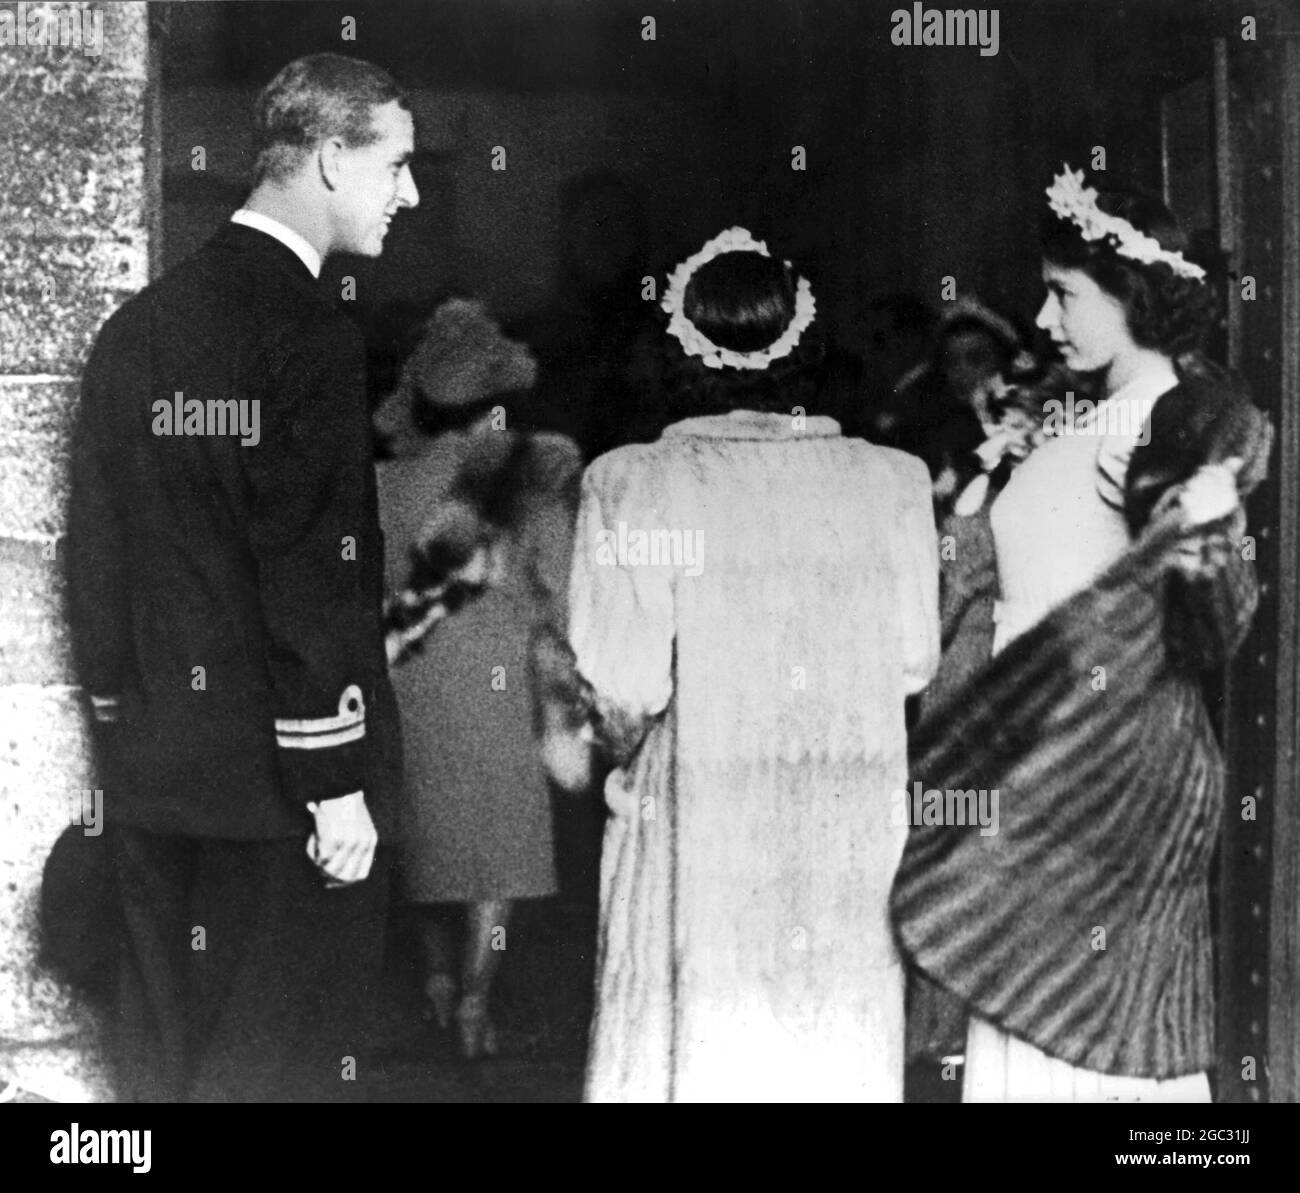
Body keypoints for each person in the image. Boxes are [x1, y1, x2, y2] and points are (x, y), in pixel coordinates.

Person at [66, 53, 419, 1102]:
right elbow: (308, 567)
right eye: (396, 163)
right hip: (281, 805)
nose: (412, 193)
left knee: (164, 1077)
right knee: (279, 1077)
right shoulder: (309, 335)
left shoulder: (136, 329)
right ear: (326, 158)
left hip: (156, 782)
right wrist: (335, 778)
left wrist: (122, 717)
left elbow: (95, 552)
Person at [891, 165, 1272, 1103]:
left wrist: (1216, 526)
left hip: (1110, 771)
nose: (1044, 317)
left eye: (1064, 295)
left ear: (1133, 296)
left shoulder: (1184, 423)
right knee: (1036, 1022)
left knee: (1103, 1028)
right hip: (1027, 758)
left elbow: (1215, 621)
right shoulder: (1078, 412)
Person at [560, 227, 940, 1101]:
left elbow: (622, 683)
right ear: (805, 349)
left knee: (696, 1049)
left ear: (678, 355)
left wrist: (619, 764)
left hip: (697, 823)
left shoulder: (634, 481)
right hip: (845, 822)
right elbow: (915, 660)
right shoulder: (893, 480)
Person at [375, 299, 582, 1058]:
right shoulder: (532, 478)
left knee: (427, 846)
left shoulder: (383, 484)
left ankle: (432, 983)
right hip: (500, 686)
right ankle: (475, 1000)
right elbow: (558, 586)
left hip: (412, 680)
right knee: (496, 855)